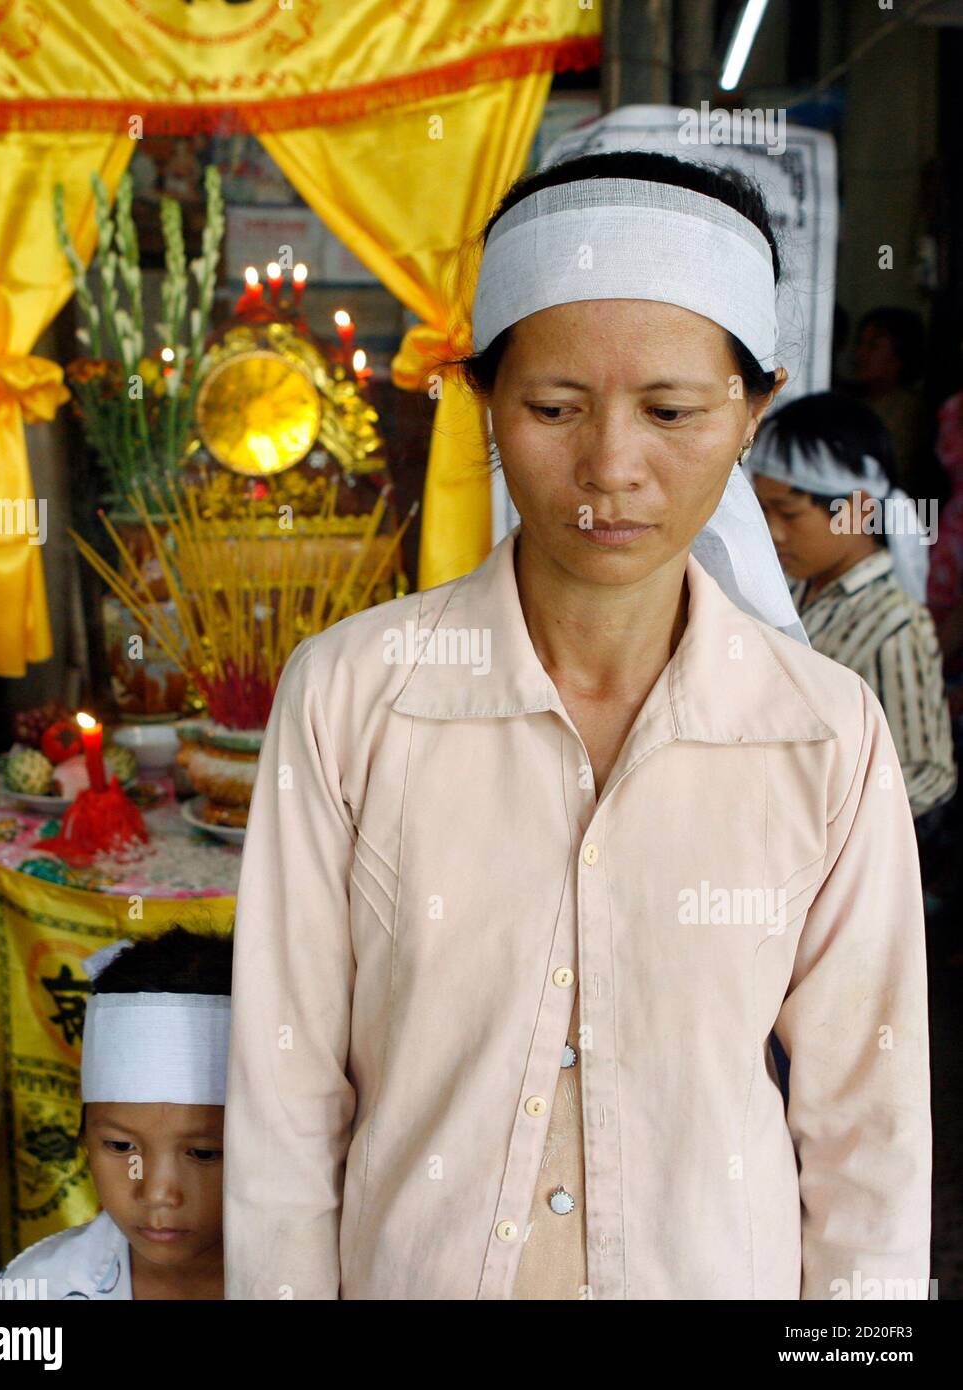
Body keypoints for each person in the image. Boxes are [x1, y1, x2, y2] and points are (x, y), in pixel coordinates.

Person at [225, 151, 933, 1301]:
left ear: (754, 406)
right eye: (553, 406)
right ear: (484, 401)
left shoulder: (818, 735)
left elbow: (869, 1129)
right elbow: (285, 1099)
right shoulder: (353, 698)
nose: (610, 467)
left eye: (671, 410)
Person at [0, 926, 231, 1300]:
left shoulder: (328, 1281)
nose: (158, 1193)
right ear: (84, 1137)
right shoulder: (35, 1289)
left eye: (204, 1153)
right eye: (119, 1145)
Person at [748, 391, 956, 820]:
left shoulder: (896, 623)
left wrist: (834, 826)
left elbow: (927, 774)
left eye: (788, 514)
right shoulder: (790, 589)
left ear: (857, 510)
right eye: (764, 511)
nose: (774, 533)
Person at [849, 306, 928, 499]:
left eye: (873, 346)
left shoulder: (906, 409)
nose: (861, 354)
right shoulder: (863, 403)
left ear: (901, 355)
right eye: (861, 344)